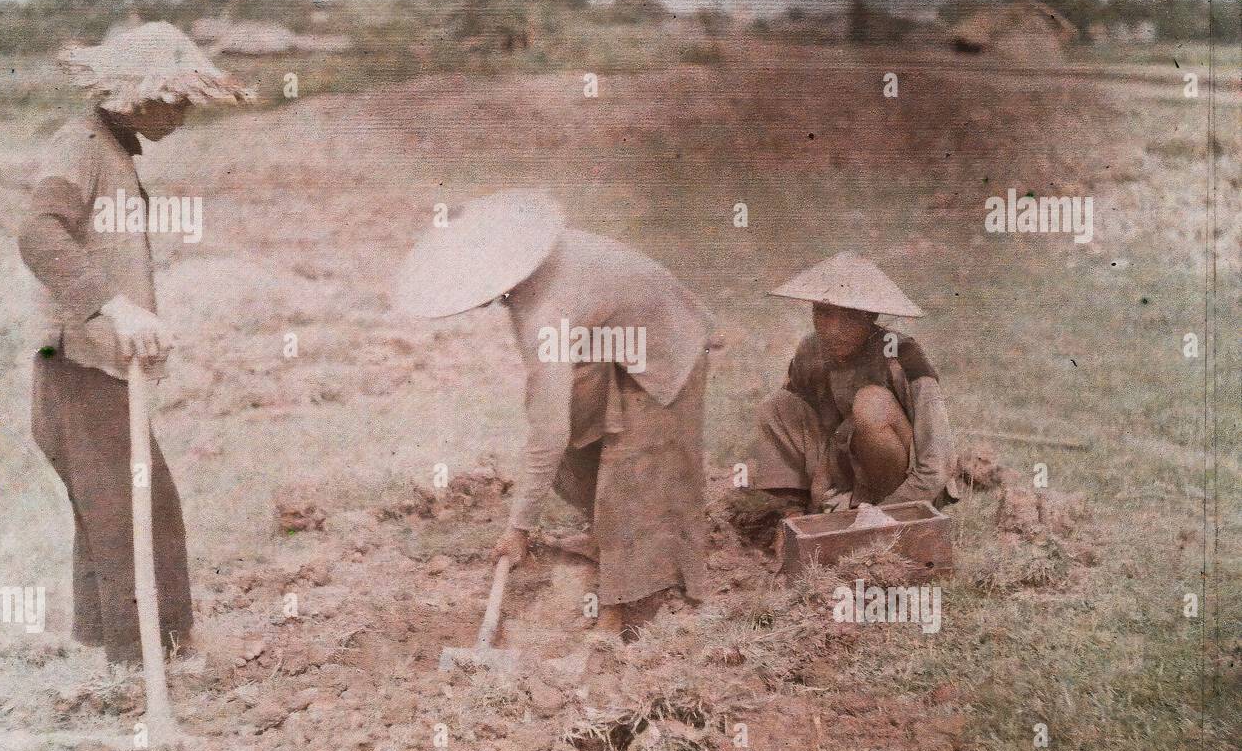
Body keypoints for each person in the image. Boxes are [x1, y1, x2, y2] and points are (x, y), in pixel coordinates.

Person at [18, 22, 253, 664]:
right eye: (173, 97)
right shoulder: (82, 146)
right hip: (77, 364)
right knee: (137, 513)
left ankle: (108, 657)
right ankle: (148, 664)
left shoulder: (112, 153)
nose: (182, 112)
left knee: (112, 511)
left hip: (92, 365)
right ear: (134, 95)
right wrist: (115, 306)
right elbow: (40, 235)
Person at [393, 190, 716, 638]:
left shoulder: (545, 310)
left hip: (666, 345)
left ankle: (618, 609)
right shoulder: (532, 276)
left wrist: (519, 528)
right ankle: (610, 539)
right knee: (575, 445)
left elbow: (548, 432)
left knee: (628, 467)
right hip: (612, 343)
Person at [749, 251, 959, 515]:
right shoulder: (812, 350)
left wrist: (886, 515)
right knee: (777, 406)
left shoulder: (903, 354)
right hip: (843, 470)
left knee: (872, 403)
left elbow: (937, 464)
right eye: (824, 313)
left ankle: (877, 513)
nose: (833, 329)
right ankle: (795, 511)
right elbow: (799, 426)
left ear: (870, 316)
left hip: (903, 487)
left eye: (849, 316)